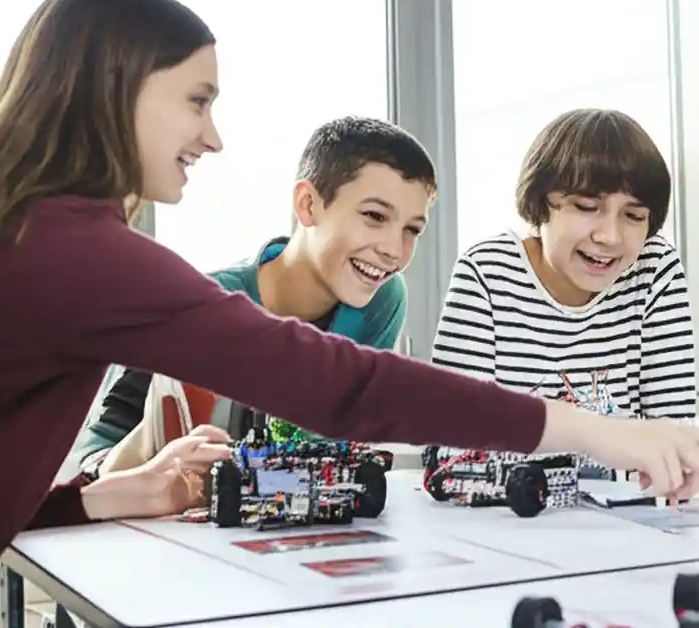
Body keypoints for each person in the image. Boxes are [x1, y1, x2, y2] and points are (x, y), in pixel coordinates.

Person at [0, 0, 699, 626]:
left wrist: (89, 500)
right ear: (115, 88)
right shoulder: (75, 252)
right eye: (196, 100)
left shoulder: (5, 230)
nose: (214, 134)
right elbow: (347, 386)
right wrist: (600, 430)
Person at [68, 116, 432, 476]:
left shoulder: (382, 301)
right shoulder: (193, 304)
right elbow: (91, 456)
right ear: (308, 205)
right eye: (374, 216)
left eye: (411, 229)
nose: (394, 252)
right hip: (135, 486)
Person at [431, 108, 696, 421]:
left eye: (634, 216)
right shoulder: (487, 274)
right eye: (586, 207)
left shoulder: (655, 270)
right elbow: (450, 438)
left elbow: (675, 436)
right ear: (540, 202)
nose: (610, 237)